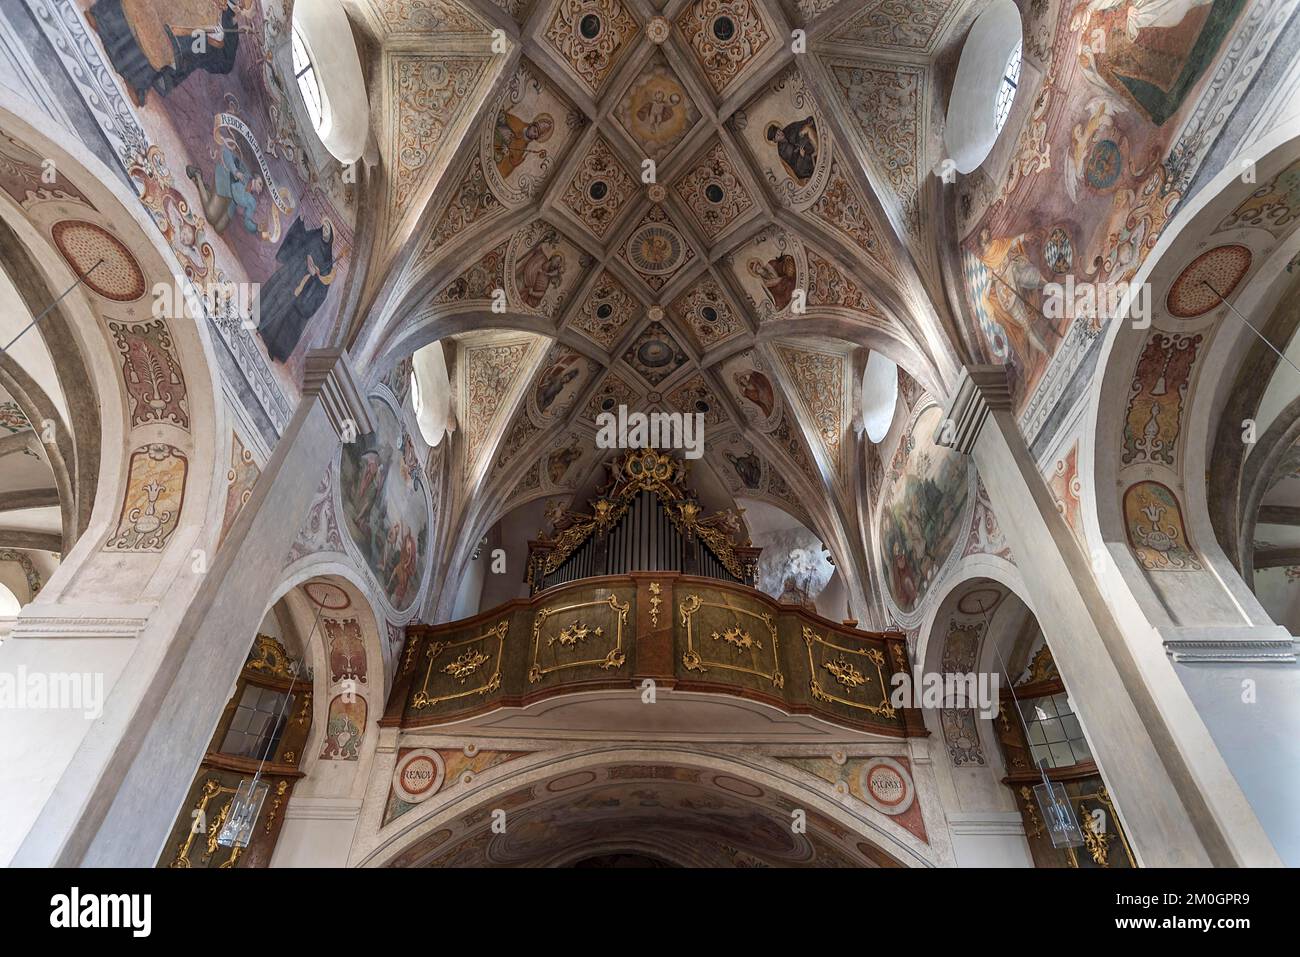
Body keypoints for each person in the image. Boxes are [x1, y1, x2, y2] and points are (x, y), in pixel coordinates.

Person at [258, 217, 335, 362]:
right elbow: (300, 240)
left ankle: (270, 341)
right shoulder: (314, 236)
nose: (323, 231)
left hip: (302, 288)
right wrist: (299, 224)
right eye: (323, 227)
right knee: (275, 292)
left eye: (327, 230)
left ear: (330, 236)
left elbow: (323, 283)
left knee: (284, 312)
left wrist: (315, 275)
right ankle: (258, 318)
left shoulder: (327, 259)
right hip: (292, 272)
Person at [766, 116, 818, 184]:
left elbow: (803, 123)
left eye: (779, 131)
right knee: (802, 166)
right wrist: (801, 156)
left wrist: (806, 126)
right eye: (777, 135)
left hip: (808, 144)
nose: (780, 134)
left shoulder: (789, 129)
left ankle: (817, 150)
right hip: (801, 163)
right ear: (775, 140)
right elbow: (794, 166)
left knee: (808, 129)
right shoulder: (782, 151)